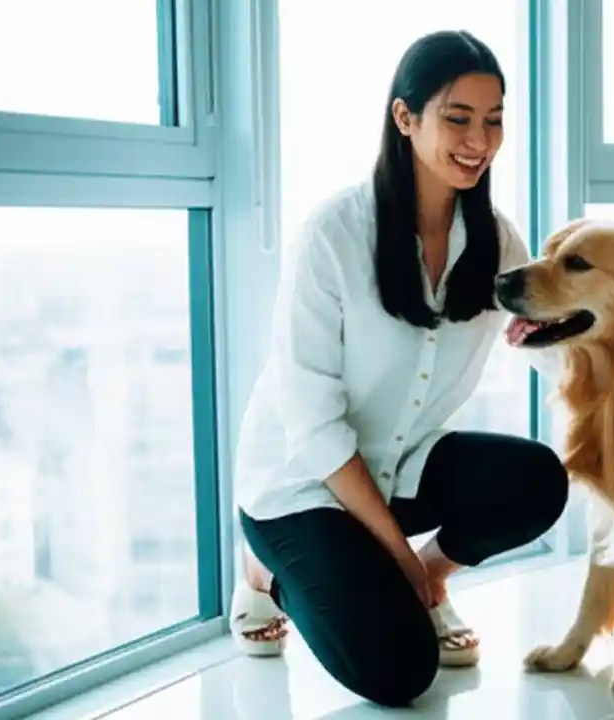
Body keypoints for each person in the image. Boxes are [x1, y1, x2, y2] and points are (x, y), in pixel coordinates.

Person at [228, 29, 569, 708]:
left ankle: (432, 583)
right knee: (400, 673)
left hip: (399, 467)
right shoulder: (333, 236)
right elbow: (315, 429)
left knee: (538, 481)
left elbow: (558, 361)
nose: (480, 140)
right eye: (459, 118)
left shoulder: (496, 240)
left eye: (494, 120)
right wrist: (399, 557)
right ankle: (264, 572)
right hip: (302, 487)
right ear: (405, 118)